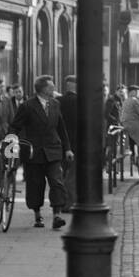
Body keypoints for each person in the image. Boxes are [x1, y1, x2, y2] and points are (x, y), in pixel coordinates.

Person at [10, 76, 74, 228]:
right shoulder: (27, 106)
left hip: (53, 150)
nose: (54, 88)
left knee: (56, 182)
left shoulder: (55, 104)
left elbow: (61, 128)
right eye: (51, 86)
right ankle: (37, 215)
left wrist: (68, 149)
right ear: (44, 89)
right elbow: (15, 126)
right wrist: (10, 143)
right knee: (35, 185)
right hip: (34, 152)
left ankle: (57, 215)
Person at [60, 76, 79, 207]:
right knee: (72, 175)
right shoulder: (80, 101)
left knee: (62, 173)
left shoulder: (58, 101)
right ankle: (70, 202)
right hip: (76, 142)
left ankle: (61, 201)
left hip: (60, 142)